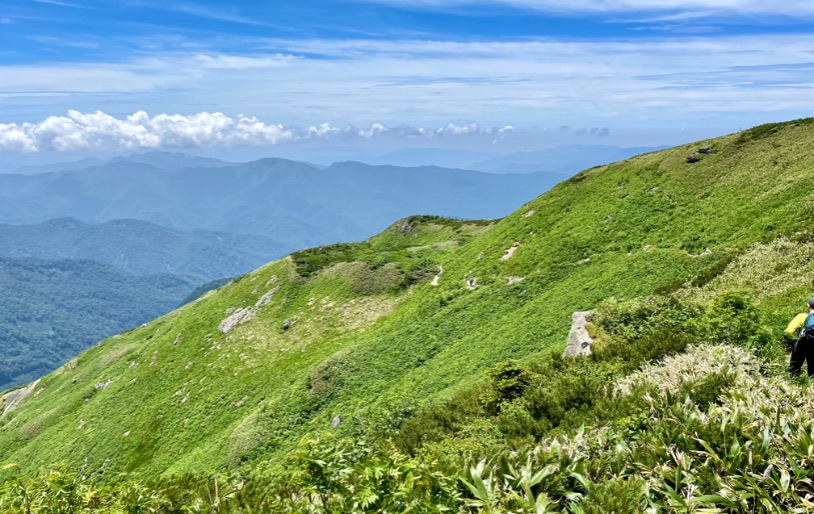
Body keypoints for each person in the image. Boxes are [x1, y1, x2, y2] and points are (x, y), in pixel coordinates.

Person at [786, 298, 814, 376]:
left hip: (802, 344)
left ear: (808, 306)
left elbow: (788, 331)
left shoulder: (801, 316)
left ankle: (794, 382)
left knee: (795, 367)